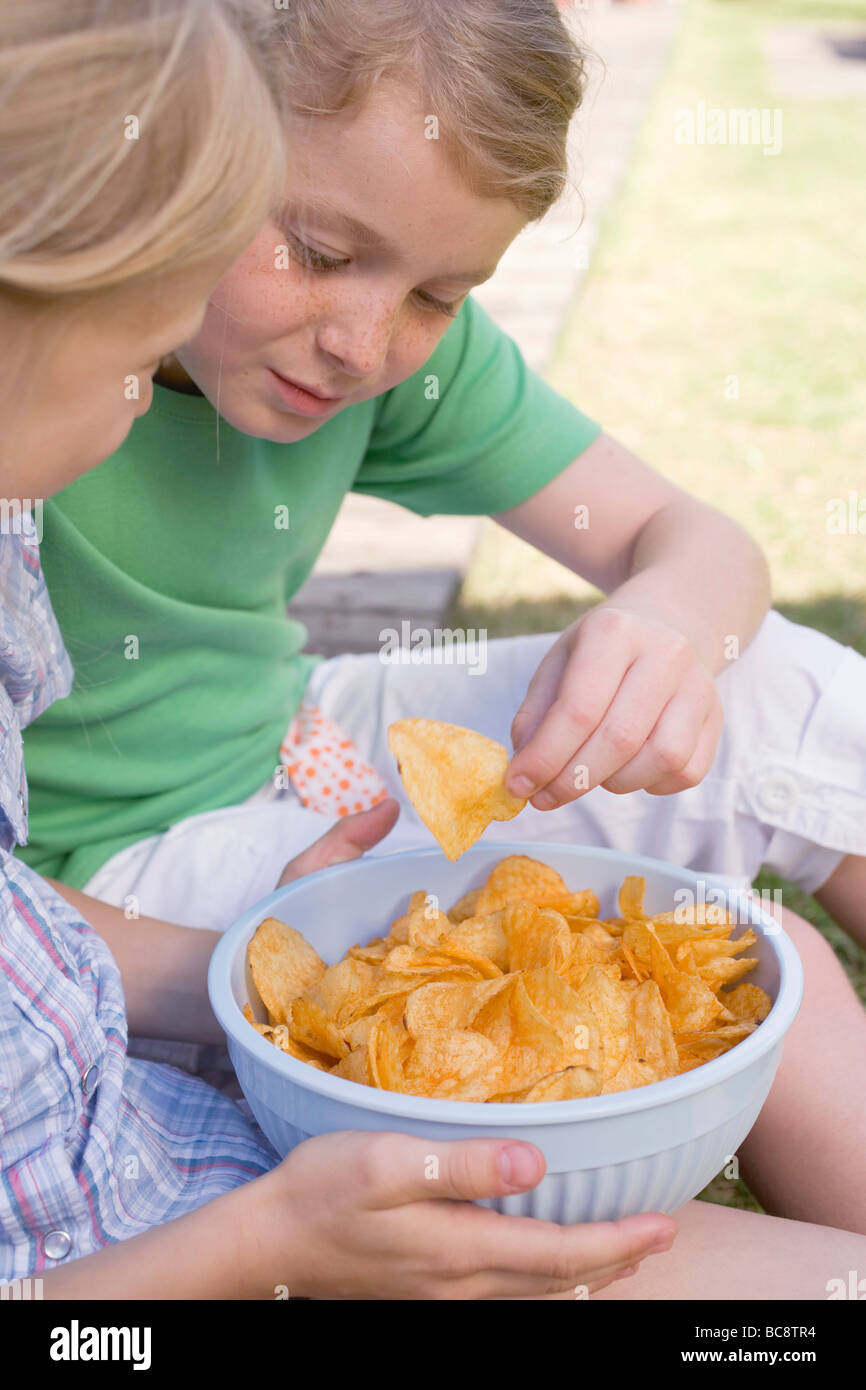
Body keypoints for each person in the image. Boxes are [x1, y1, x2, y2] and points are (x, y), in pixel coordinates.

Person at [12, 0, 866, 1299]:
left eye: (436, 290)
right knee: (747, 961)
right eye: (312, 249)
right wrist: (289, 951)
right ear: (181, 146)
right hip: (108, 886)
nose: (365, 340)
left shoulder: (382, 353)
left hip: (293, 734)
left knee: (761, 675)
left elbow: (689, 539)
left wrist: (667, 620)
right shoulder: (41, 372)